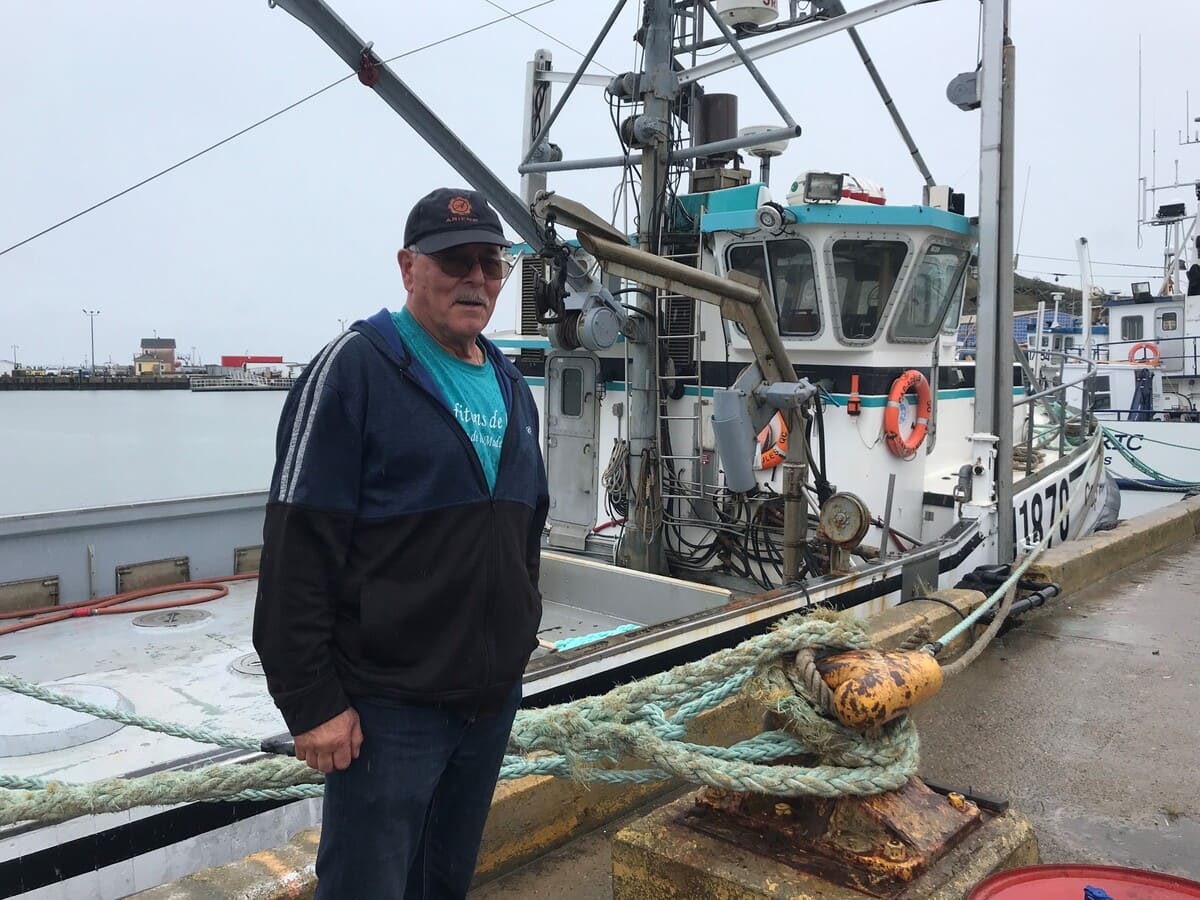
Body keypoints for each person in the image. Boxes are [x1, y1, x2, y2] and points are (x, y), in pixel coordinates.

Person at [253, 187, 549, 899]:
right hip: (389, 709)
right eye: (454, 262)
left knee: (443, 883)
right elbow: (297, 549)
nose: (475, 278)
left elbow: (524, 533)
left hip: (487, 700)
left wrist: (515, 644)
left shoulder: (511, 386)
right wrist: (311, 701)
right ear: (408, 267)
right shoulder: (355, 368)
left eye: (491, 262)